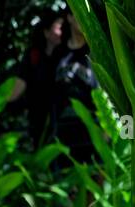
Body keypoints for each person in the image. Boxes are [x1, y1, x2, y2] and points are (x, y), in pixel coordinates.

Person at [7, 7, 66, 149]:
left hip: (63, 120)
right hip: (38, 118)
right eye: (59, 27)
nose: (63, 32)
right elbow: (20, 84)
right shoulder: (34, 55)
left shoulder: (67, 55)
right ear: (46, 32)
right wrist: (1, 100)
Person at [52, 8, 99, 163]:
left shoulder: (96, 52)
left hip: (93, 134)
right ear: (70, 18)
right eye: (79, 15)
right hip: (65, 134)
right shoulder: (58, 53)